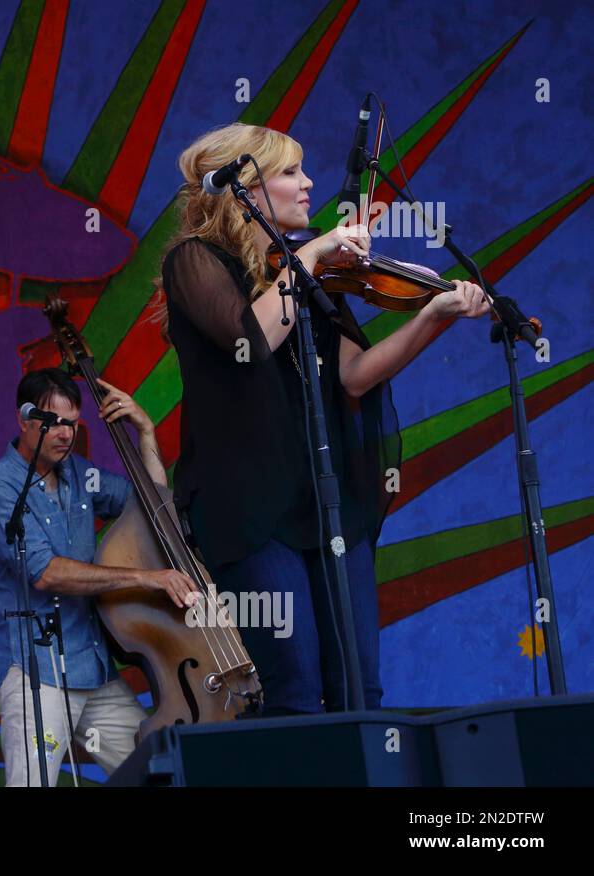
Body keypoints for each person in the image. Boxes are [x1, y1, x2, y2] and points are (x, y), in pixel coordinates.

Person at [157, 122, 490, 716]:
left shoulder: (311, 275)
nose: (308, 184)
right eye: (290, 172)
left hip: (326, 496)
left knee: (360, 688)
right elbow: (252, 336)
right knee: (293, 688)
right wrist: (312, 252)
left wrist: (433, 315)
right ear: (244, 188)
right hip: (250, 505)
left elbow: (355, 376)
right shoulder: (195, 260)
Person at [0, 368, 199, 785]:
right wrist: (147, 578)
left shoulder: (80, 473)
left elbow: (153, 507)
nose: (64, 434)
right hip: (34, 670)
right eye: (52, 422)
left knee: (156, 775)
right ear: (24, 420)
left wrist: (145, 430)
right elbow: (47, 573)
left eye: (72, 424)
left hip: (91, 667)